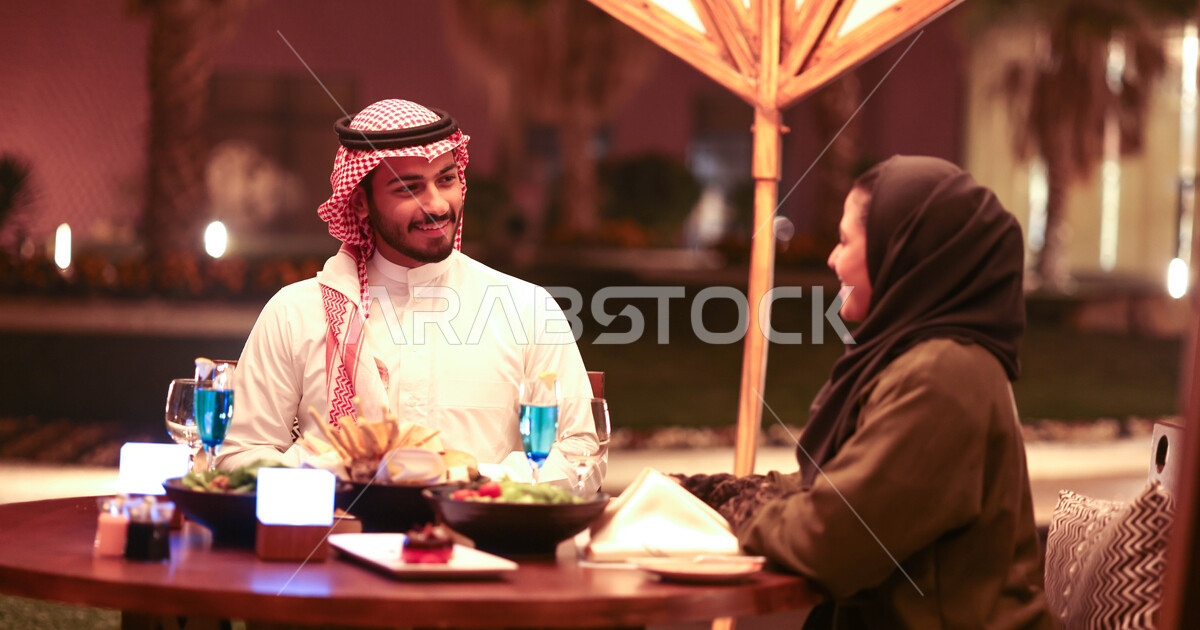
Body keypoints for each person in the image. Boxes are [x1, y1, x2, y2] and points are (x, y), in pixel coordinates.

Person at [679, 156, 1054, 628]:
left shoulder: (942, 375)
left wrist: (740, 511)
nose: (833, 258)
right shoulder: (921, 359)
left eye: (845, 240)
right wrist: (712, 492)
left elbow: (827, 538)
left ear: (902, 252)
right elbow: (840, 490)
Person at [218, 99, 603, 494]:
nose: (436, 204)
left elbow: (579, 453)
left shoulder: (527, 310)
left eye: (446, 180)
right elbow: (238, 456)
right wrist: (331, 468)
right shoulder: (296, 313)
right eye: (409, 188)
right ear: (360, 202)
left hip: (479, 548)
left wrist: (477, 483)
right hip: (331, 545)